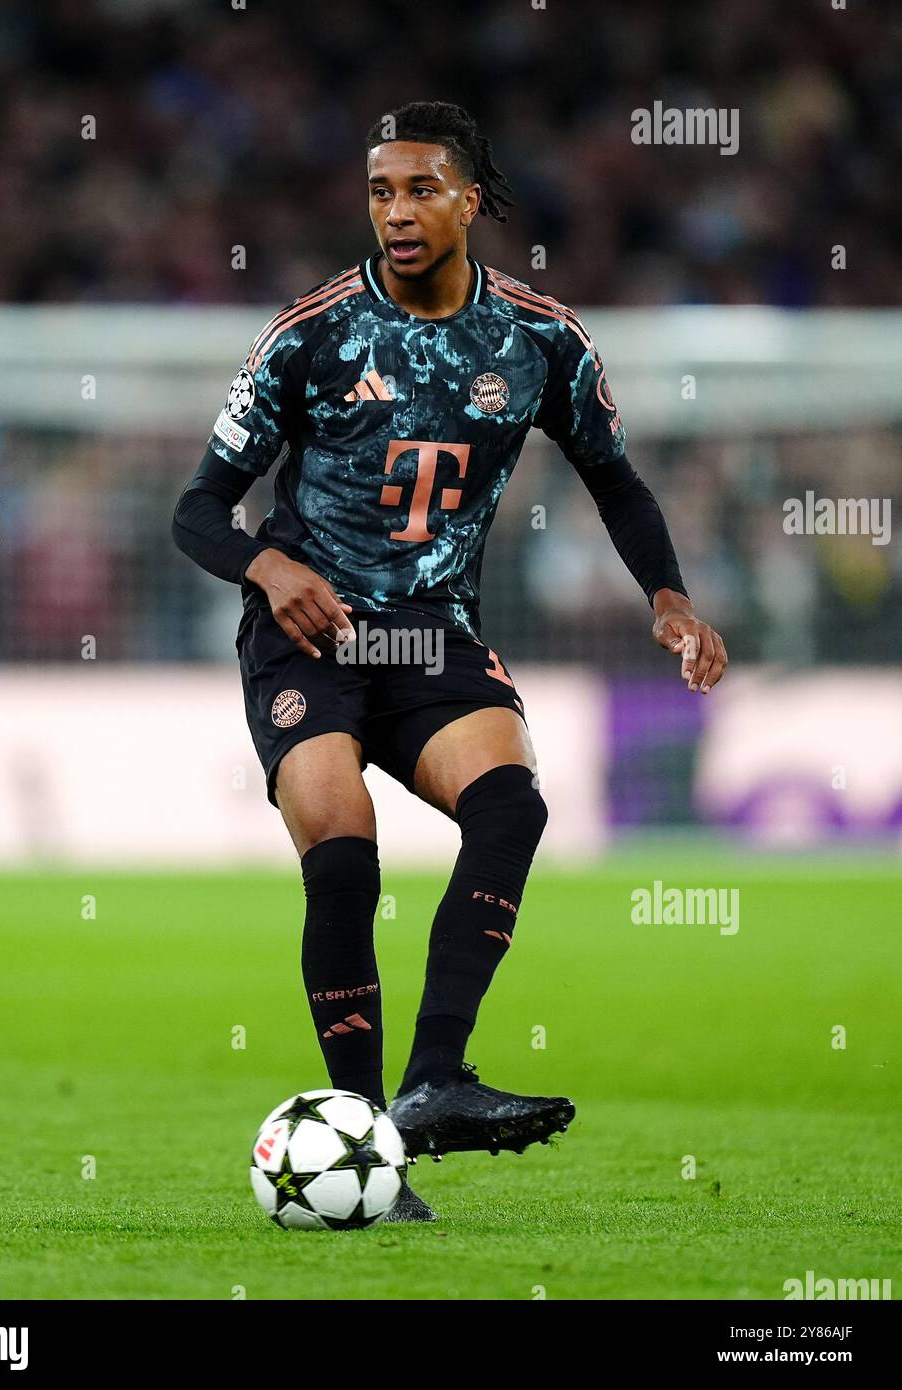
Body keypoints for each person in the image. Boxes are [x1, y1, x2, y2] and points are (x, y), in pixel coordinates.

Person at [172, 101, 727, 1222]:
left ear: (469, 199)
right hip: (310, 636)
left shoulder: (538, 339)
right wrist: (263, 570)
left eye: (421, 189)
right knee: (342, 848)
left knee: (511, 808)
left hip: (429, 635)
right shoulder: (309, 333)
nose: (396, 212)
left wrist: (666, 596)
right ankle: (365, 1133)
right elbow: (195, 510)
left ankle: (434, 1079)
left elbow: (611, 476)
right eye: (380, 191)